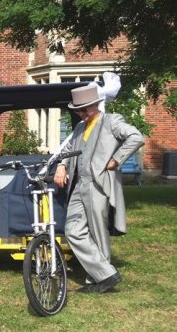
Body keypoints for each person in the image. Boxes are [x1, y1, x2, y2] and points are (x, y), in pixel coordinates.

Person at [53, 85, 144, 293]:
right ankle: (106, 274)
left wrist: (116, 159)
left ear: (95, 105)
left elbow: (136, 137)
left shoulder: (112, 121)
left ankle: (99, 279)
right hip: (79, 185)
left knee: (97, 232)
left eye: (84, 109)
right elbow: (67, 150)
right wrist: (61, 166)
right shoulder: (78, 129)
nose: (81, 114)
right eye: (78, 110)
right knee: (73, 230)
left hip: (99, 184)